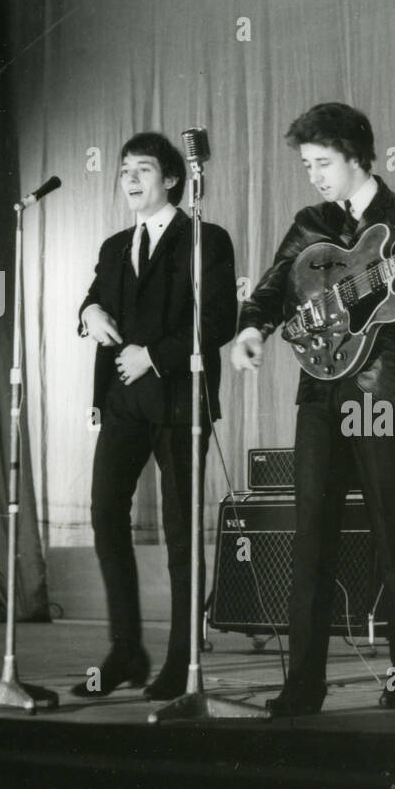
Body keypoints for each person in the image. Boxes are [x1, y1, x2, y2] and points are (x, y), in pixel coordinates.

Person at [232, 102, 395, 714]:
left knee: (391, 527)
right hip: (319, 392)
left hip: (385, 388)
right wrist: (251, 328)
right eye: (307, 164)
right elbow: (273, 285)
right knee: (311, 532)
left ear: (355, 157)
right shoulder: (309, 221)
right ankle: (305, 682)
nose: (313, 174)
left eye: (322, 163)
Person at [73, 132, 238, 699]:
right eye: (123, 171)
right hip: (123, 403)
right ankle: (126, 649)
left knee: (180, 532)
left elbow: (217, 321)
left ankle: (181, 658)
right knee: (104, 515)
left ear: (171, 178)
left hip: (178, 400)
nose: (130, 180)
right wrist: (89, 311)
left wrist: (154, 356)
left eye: (142, 169)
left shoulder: (204, 238)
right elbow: (94, 297)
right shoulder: (116, 244)